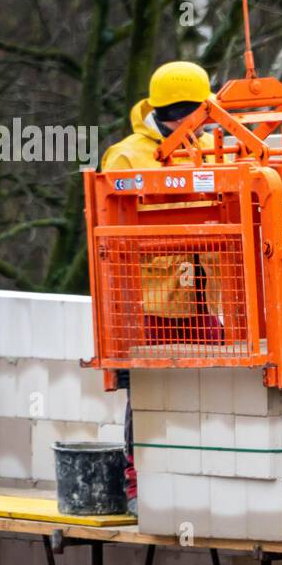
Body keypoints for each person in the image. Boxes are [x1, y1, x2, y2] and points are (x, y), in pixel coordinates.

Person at [100, 60, 223, 516]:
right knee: (149, 397)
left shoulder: (211, 147)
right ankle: (138, 487)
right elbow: (113, 232)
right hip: (149, 304)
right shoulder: (127, 155)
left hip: (204, 298)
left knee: (216, 390)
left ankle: (197, 481)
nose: (192, 123)